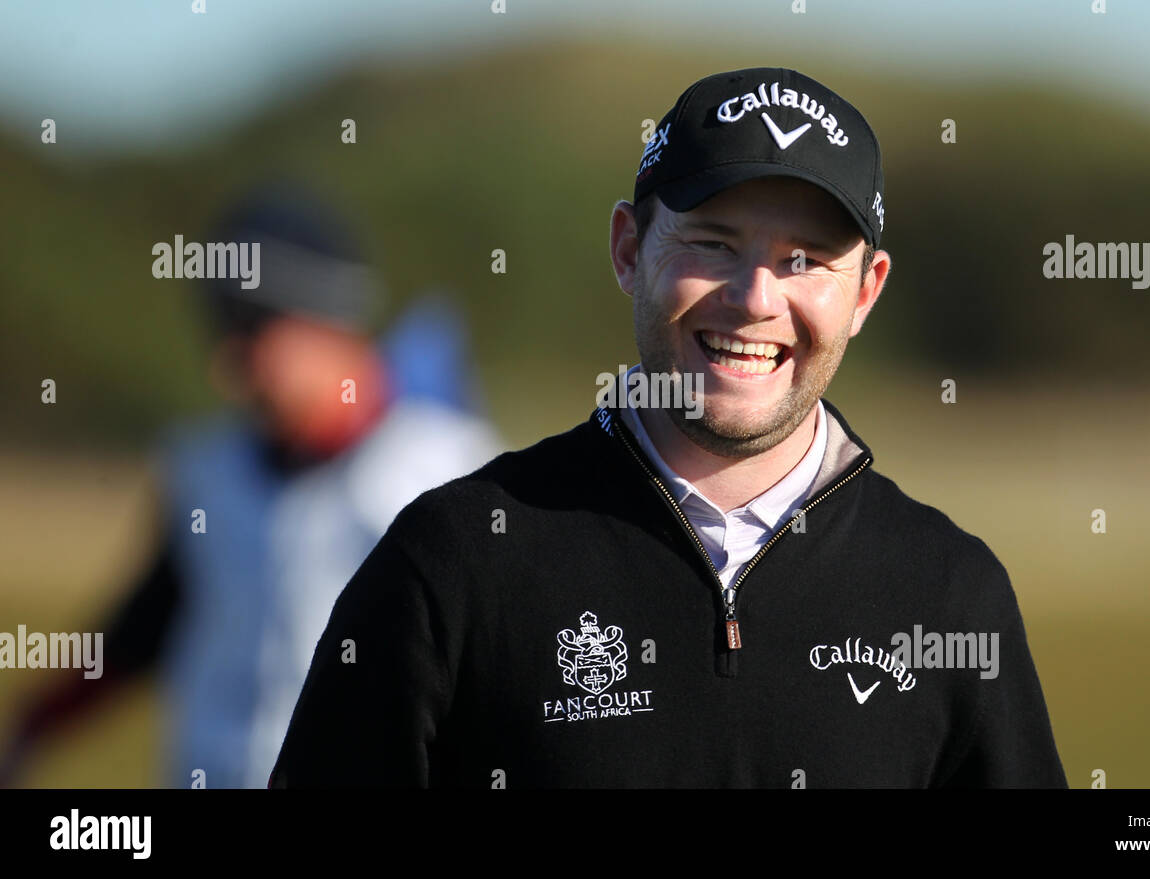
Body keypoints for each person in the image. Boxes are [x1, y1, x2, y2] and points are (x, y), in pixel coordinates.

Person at [270, 68, 1067, 788]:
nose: (756, 298)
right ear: (628, 249)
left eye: (806, 260)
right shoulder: (456, 558)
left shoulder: (952, 594)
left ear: (865, 293)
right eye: (713, 244)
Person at [0, 184, 501, 789]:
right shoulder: (208, 476)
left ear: (331, 321)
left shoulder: (446, 477)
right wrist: (31, 725)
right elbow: (140, 634)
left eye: (254, 329)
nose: (229, 362)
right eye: (221, 330)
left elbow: (509, 679)